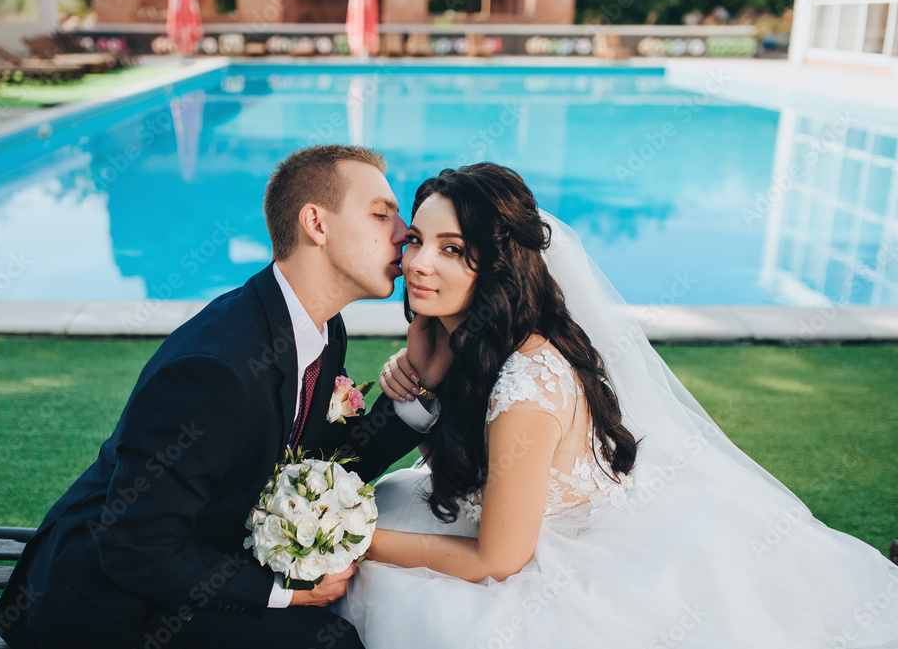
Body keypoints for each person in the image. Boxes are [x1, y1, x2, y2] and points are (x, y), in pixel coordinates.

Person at [335, 162, 898, 648]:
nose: (418, 263)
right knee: (387, 506)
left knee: (396, 590)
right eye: (415, 240)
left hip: (557, 563)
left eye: (452, 249)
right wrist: (422, 381)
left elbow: (497, 561)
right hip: (512, 520)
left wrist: (350, 542)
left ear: (500, 265)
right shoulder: (471, 341)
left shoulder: (524, 387)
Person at [0, 145, 452, 649]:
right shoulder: (214, 371)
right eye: (381, 214)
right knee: (333, 640)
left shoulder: (321, 327)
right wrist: (282, 592)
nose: (404, 232)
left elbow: (319, 464)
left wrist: (418, 386)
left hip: (199, 548)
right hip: (105, 600)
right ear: (316, 224)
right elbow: (134, 549)